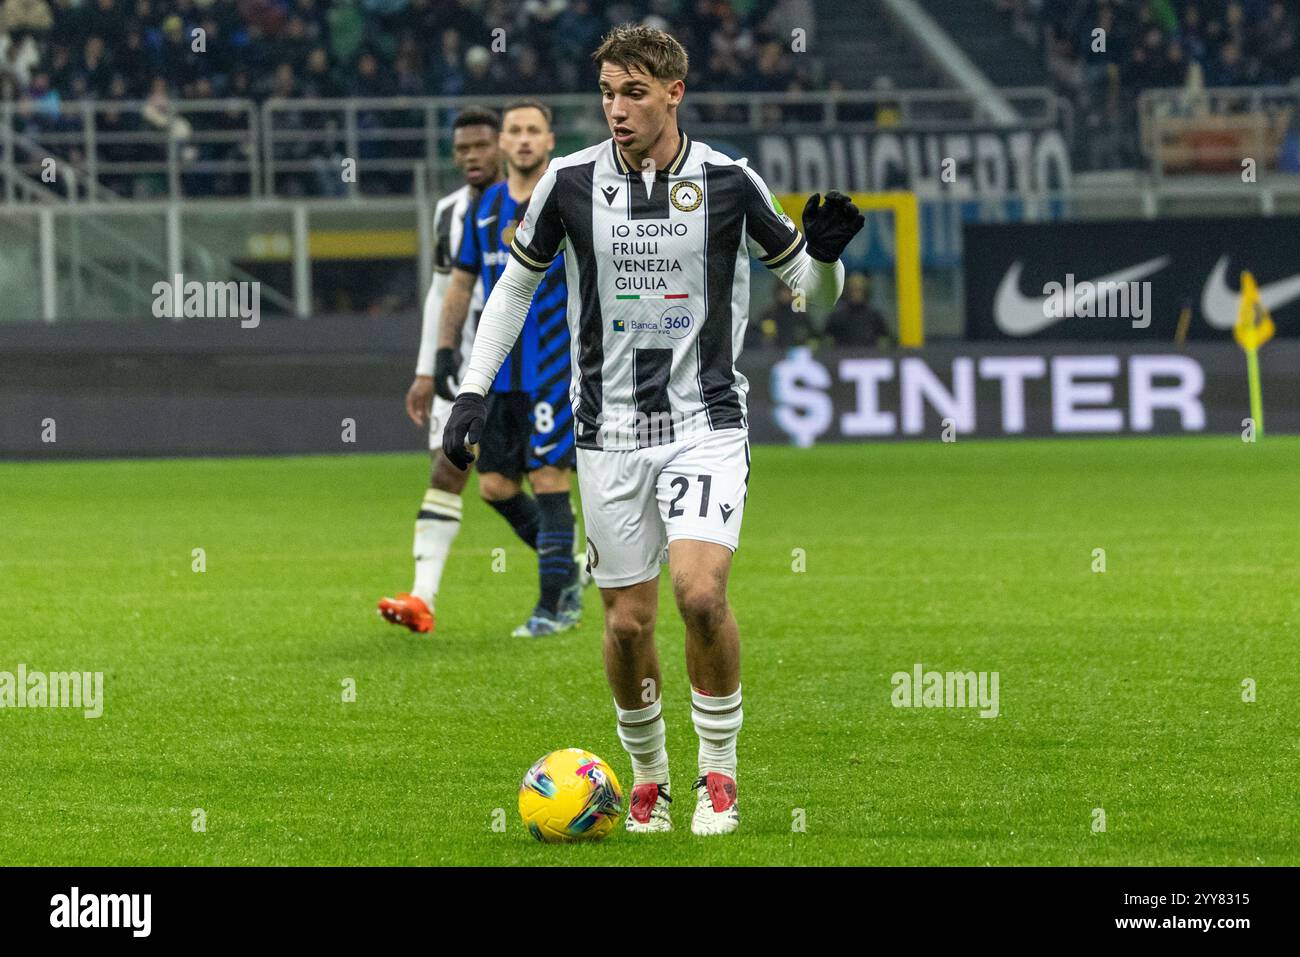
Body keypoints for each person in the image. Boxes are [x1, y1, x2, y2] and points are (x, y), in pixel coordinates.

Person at [440, 25, 863, 835]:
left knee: (700, 592)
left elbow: (808, 289)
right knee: (628, 622)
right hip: (607, 433)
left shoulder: (731, 181)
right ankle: (648, 778)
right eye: (606, 93)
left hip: (706, 422)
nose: (617, 109)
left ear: (675, 91)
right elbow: (513, 291)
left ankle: (719, 776)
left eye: (634, 92)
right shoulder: (566, 184)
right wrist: (472, 391)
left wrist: (831, 258)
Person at [435, 99, 584, 638]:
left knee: (549, 480)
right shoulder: (487, 207)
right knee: (495, 487)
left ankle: (554, 605)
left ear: (549, 142)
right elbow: (461, 281)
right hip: (498, 374)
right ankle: (569, 569)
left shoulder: (569, 199)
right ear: (503, 143)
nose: (523, 140)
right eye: (514, 131)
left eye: (533, 131)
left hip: (552, 368)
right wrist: (444, 350)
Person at [376, 106, 502, 635]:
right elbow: (440, 289)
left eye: (480, 145)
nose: (470, 156)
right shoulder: (449, 211)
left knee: (517, 484)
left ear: (502, 145)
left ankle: (571, 570)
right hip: (463, 367)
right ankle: (421, 597)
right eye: (461, 149)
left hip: (534, 365)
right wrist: (429, 366)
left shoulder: (538, 201)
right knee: (447, 467)